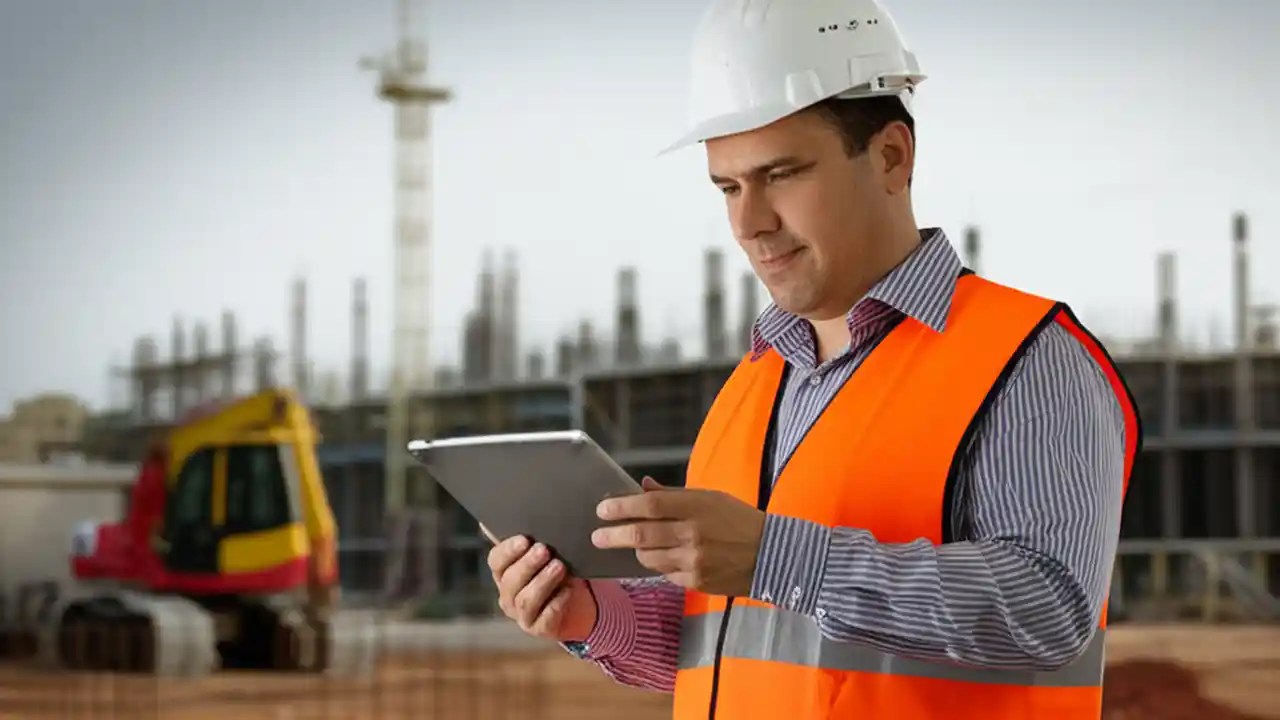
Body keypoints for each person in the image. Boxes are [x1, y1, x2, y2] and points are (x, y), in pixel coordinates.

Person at [486, 0, 1142, 717]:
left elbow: (1050, 610)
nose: (748, 223)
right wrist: (593, 614)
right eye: (728, 187)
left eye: (782, 174)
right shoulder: (755, 384)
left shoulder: (1027, 359)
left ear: (891, 156)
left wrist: (775, 556)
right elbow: (740, 647)